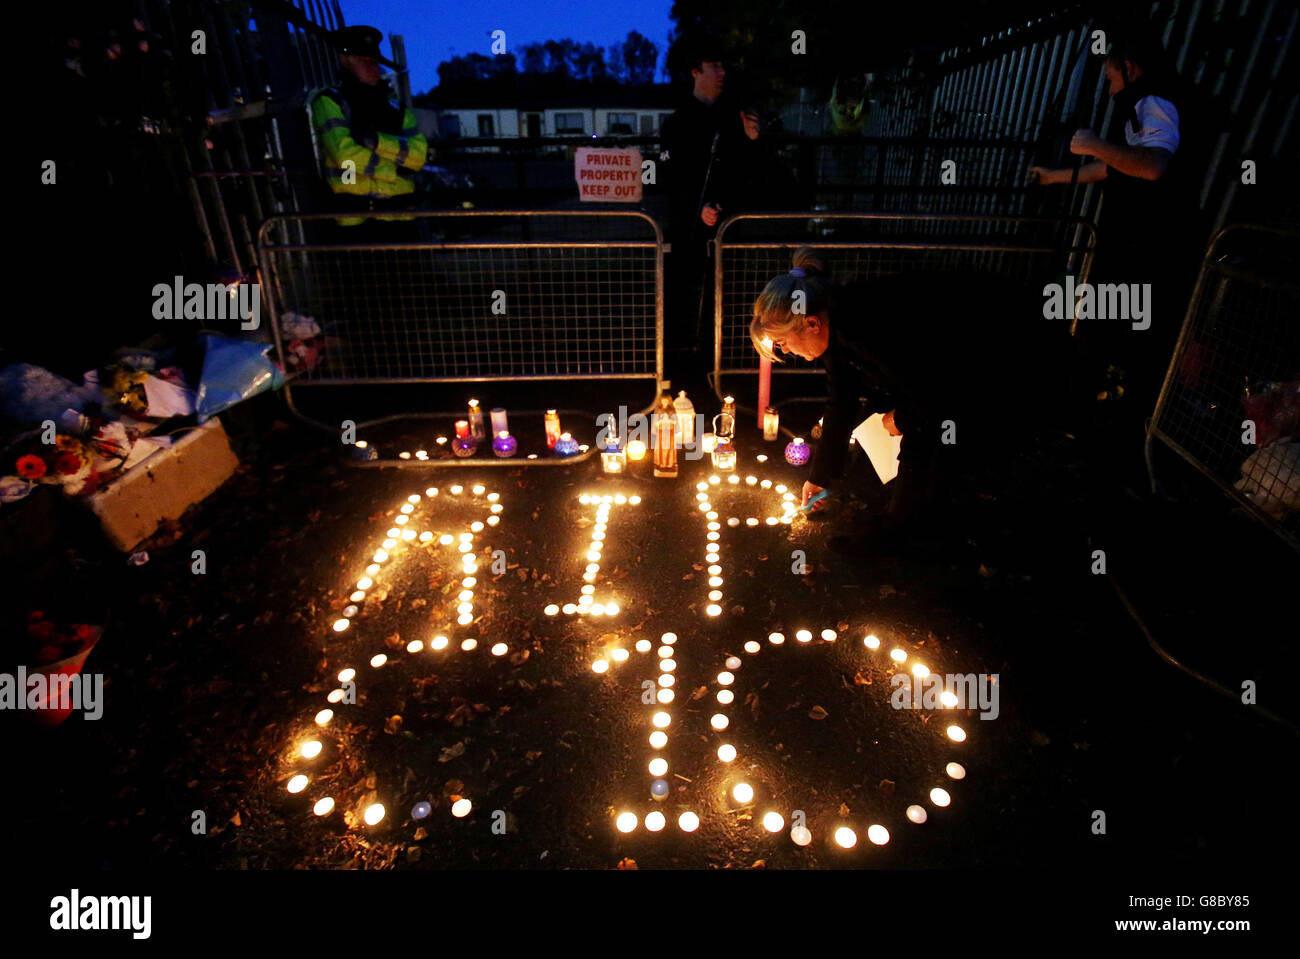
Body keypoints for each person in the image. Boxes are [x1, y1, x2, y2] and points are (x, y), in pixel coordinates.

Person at [749, 248, 1072, 554]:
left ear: (811, 324)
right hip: (958, 373)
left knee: (929, 433)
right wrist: (819, 476)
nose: (786, 352)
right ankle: (916, 518)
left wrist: (900, 419)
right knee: (921, 427)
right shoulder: (834, 327)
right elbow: (842, 401)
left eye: (782, 343)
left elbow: (937, 391)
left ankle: (907, 532)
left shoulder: (870, 323)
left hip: (1015, 358)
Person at [1027, 22, 1201, 417]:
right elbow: (1115, 168)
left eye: (1110, 76)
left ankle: (1116, 413)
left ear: (1131, 68)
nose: (1108, 88)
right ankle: (1099, 405)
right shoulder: (1140, 107)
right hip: (1136, 242)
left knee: (1126, 327)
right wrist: (1055, 176)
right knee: (1111, 319)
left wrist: (1094, 144)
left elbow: (1153, 166)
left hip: (1150, 245)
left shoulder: (1153, 102)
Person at [661, 35, 762, 369]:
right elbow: (669, 177)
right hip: (688, 228)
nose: (721, 72)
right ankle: (680, 360)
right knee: (683, 292)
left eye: (722, 65)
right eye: (713, 66)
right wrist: (695, 208)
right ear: (695, 71)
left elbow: (749, 173)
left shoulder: (735, 117)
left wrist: (753, 141)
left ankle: (715, 360)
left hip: (727, 225)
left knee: (724, 296)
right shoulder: (676, 123)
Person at [309, 26, 428, 239]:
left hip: (401, 222)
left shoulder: (397, 110)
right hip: (354, 223)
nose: (374, 68)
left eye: (375, 62)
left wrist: (375, 141)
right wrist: (393, 168)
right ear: (344, 59)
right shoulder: (329, 102)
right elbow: (344, 158)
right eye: (365, 62)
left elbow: (419, 157)